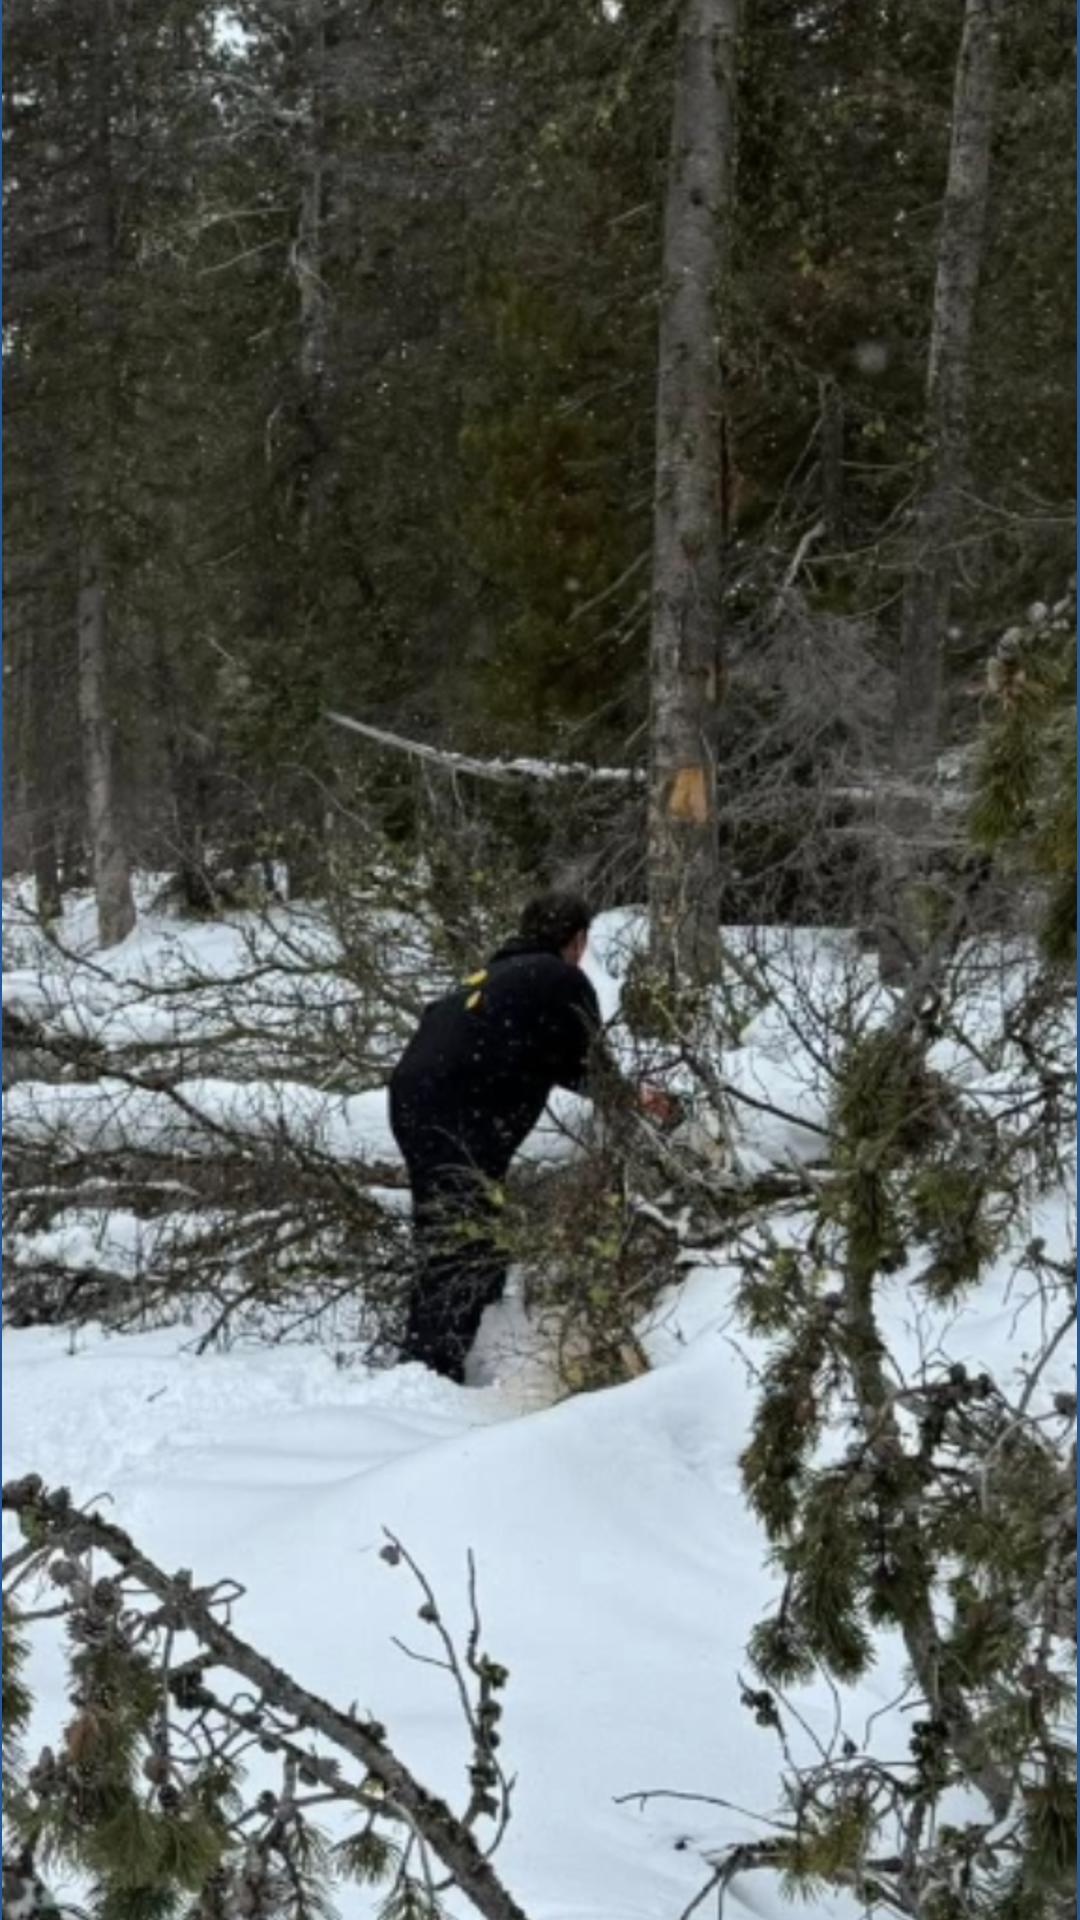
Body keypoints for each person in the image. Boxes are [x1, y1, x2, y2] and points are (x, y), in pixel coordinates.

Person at [388, 890, 672, 1382]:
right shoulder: (560, 978)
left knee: (458, 1229)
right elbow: (588, 1061)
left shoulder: (495, 977)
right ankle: (429, 1370)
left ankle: (447, 1356)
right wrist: (633, 1100)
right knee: (462, 1239)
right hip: (462, 1106)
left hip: (413, 1097)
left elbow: (553, 1057)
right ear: (577, 939)